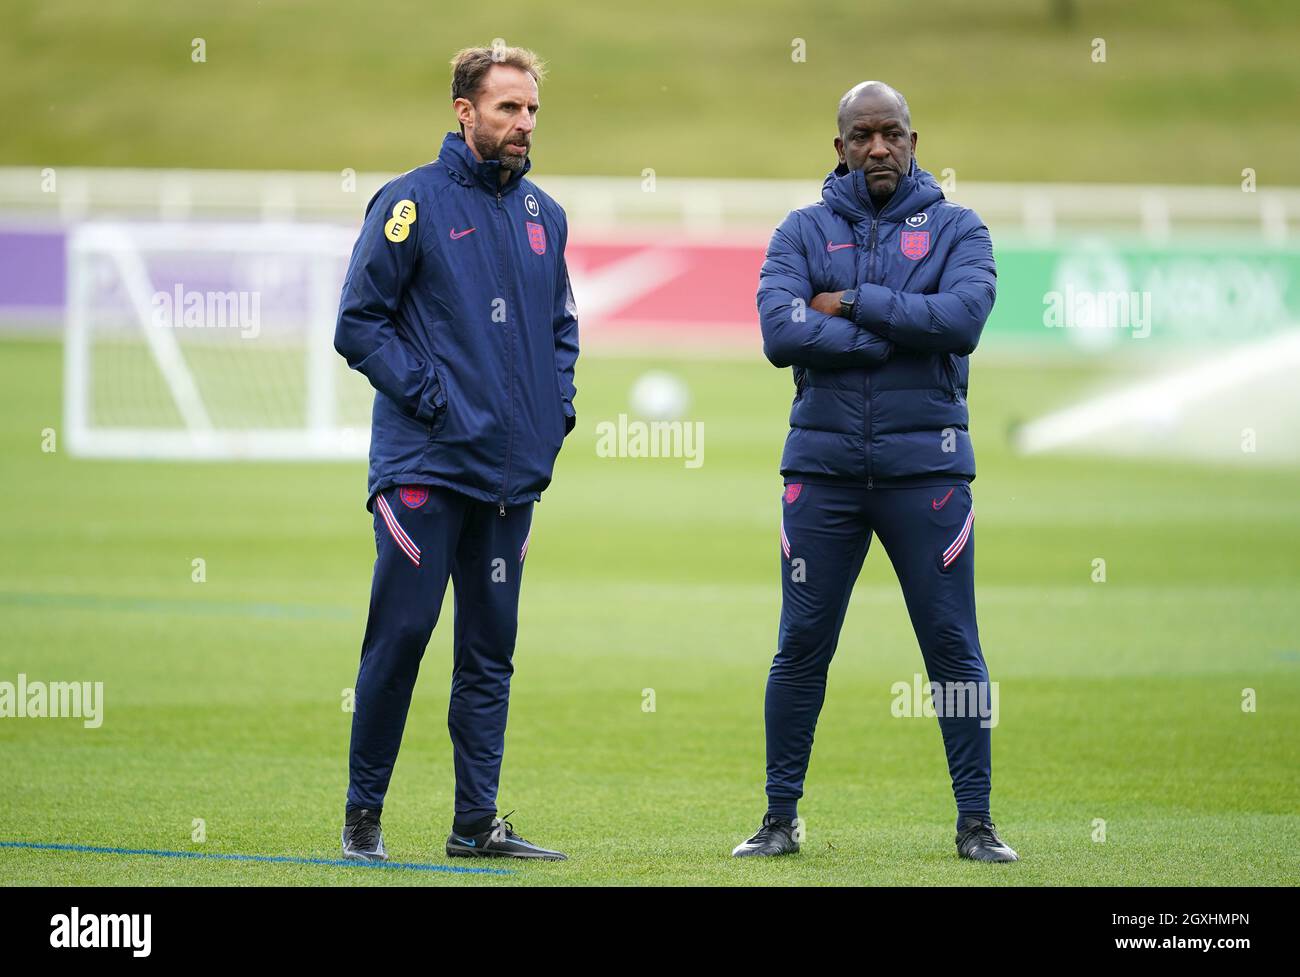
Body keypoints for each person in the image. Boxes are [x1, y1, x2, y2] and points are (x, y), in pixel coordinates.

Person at [734, 81, 1017, 862]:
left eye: (891, 133)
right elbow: (779, 331)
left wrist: (851, 301)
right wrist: (891, 331)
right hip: (820, 475)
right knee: (800, 648)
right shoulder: (801, 230)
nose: (879, 148)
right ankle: (779, 818)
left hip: (927, 474)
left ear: (914, 140)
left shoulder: (960, 228)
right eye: (862, 136)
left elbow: (961, 320)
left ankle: (977, 823)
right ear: (840, 148)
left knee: (953, 647)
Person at [334, 44, 578, 862]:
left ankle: (475, 824)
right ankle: (363, 819)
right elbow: (357, 322)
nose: (524, 123)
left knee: (489, 654)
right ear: (464, 112)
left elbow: (560, 331)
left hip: (510, 479)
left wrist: (555, 412)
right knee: (400, 640)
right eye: (508, 108)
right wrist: (431, 397)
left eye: (532, 109)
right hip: (425, 471)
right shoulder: (411, 204)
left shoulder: (546, 216)